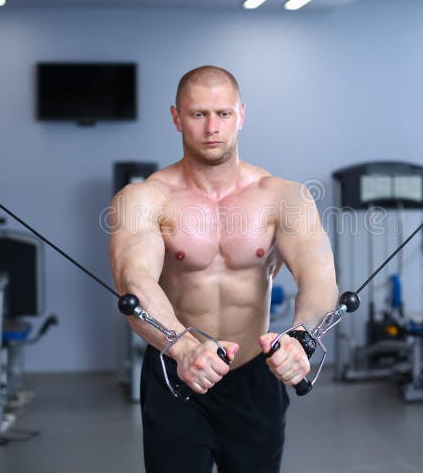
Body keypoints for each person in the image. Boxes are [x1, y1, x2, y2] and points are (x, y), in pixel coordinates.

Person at [108, 65, 338, 473]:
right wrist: (182, 349)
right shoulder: (144, 197)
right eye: (198, 114)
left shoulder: (284, 196)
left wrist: (301, 336)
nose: (212, 127)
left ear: (242, 115)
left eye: (223, 114)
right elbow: (135, 283)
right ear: (177, 117)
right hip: (174, 371)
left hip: (254, 377)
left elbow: (319, 280)